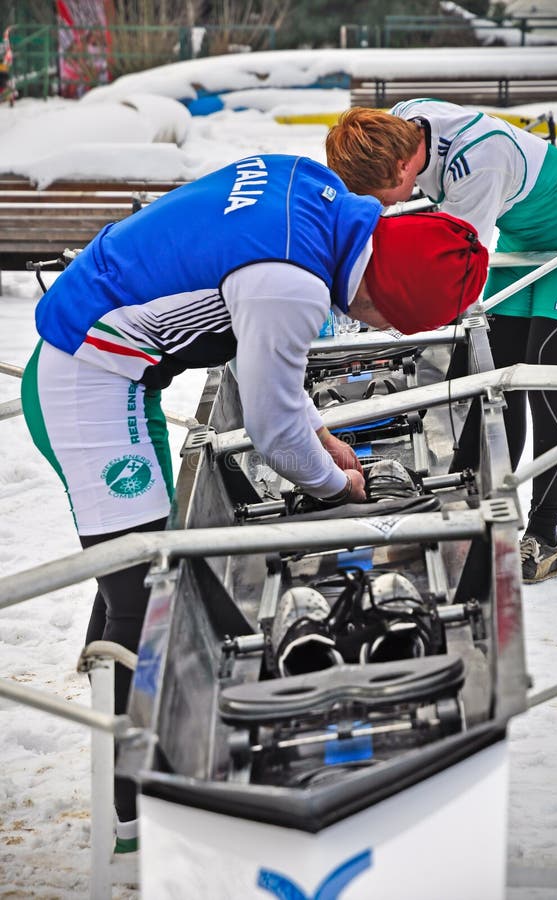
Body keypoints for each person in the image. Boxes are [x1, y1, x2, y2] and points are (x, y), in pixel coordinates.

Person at [20, 153, 487, 851]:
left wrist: (320, 431)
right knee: (145, 597)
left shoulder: (317, 193)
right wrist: (340, 491)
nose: (383, 334)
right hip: (85, 376)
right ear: (383, 294)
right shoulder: (291, 287)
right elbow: (270, 426)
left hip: (117, 369)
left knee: (137, 579)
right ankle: (132, 824)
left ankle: (113, 752)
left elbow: (273, 363)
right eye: (389, 321)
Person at [326, 102, 557, 585]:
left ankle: (546, 535)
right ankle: (463, 505)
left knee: (539, 380)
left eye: (383, 194)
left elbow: (448, 278)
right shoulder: (398, 124)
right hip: (520, 232)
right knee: (492, 377)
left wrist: (382, 312)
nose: (383, 205)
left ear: (406, 165)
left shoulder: (478, 167)